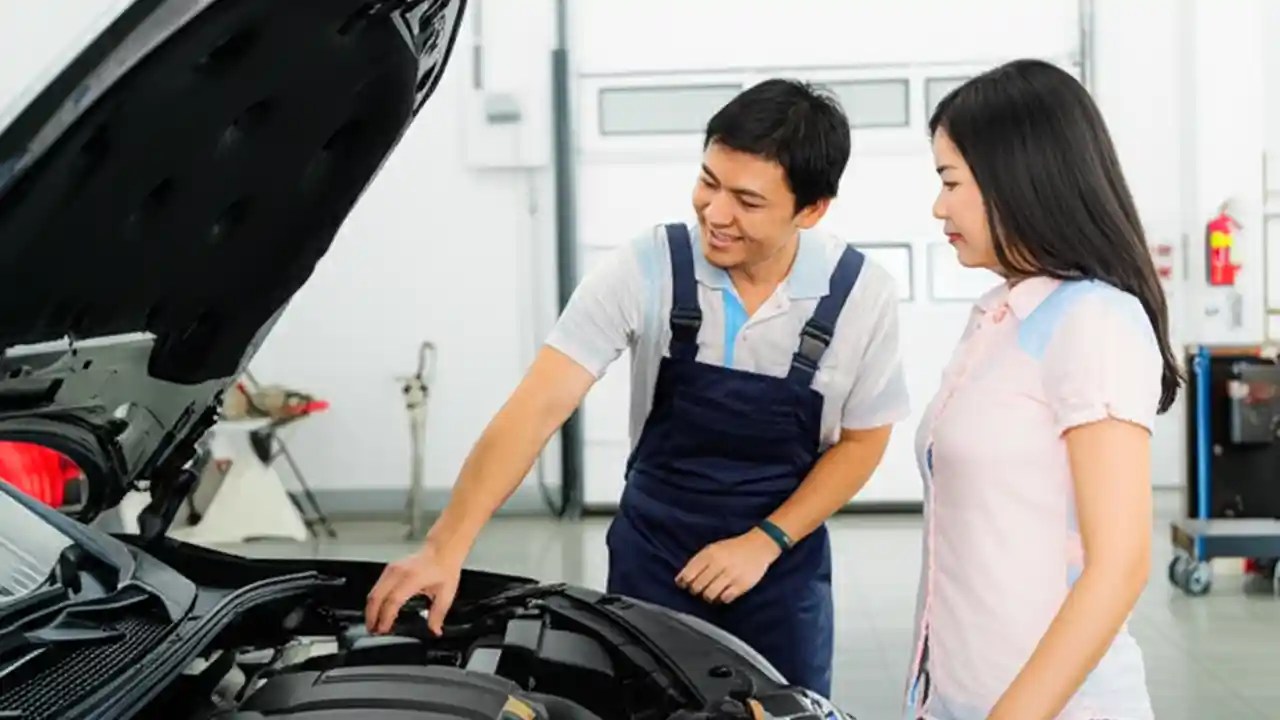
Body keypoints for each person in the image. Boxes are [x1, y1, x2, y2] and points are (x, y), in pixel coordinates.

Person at [365, 78, 911, 697]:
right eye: (708, 181)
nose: (716, 213)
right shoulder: (648, 267)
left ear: (811, 210)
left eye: (747, 200)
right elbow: (539, 404)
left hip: (779, 570)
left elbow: (863, 443)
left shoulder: (861, 295)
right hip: (654, 556)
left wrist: (765, 542)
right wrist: (445, 546)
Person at [904, 59, 1180, 720]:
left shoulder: (1094, 321)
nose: (939, 205)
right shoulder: (1000, 317)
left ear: (1014, 179)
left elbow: (1119, 567)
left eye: (951, 181)